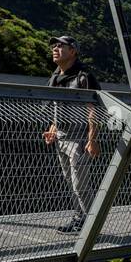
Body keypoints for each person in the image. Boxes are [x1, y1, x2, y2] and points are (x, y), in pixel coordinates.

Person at [41, 35, 101, 233]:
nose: (55, 49)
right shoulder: (57, 77)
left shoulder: (83, 76)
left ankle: (90, 224)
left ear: (73, 51)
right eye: (54, 46)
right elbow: (60, 107)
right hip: (61, 136)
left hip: (79, 138)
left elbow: (93, 110)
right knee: (70, 182)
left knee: (80, 184)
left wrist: (92, 139)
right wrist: (53, 128)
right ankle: (79, 218)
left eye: (60, 46)